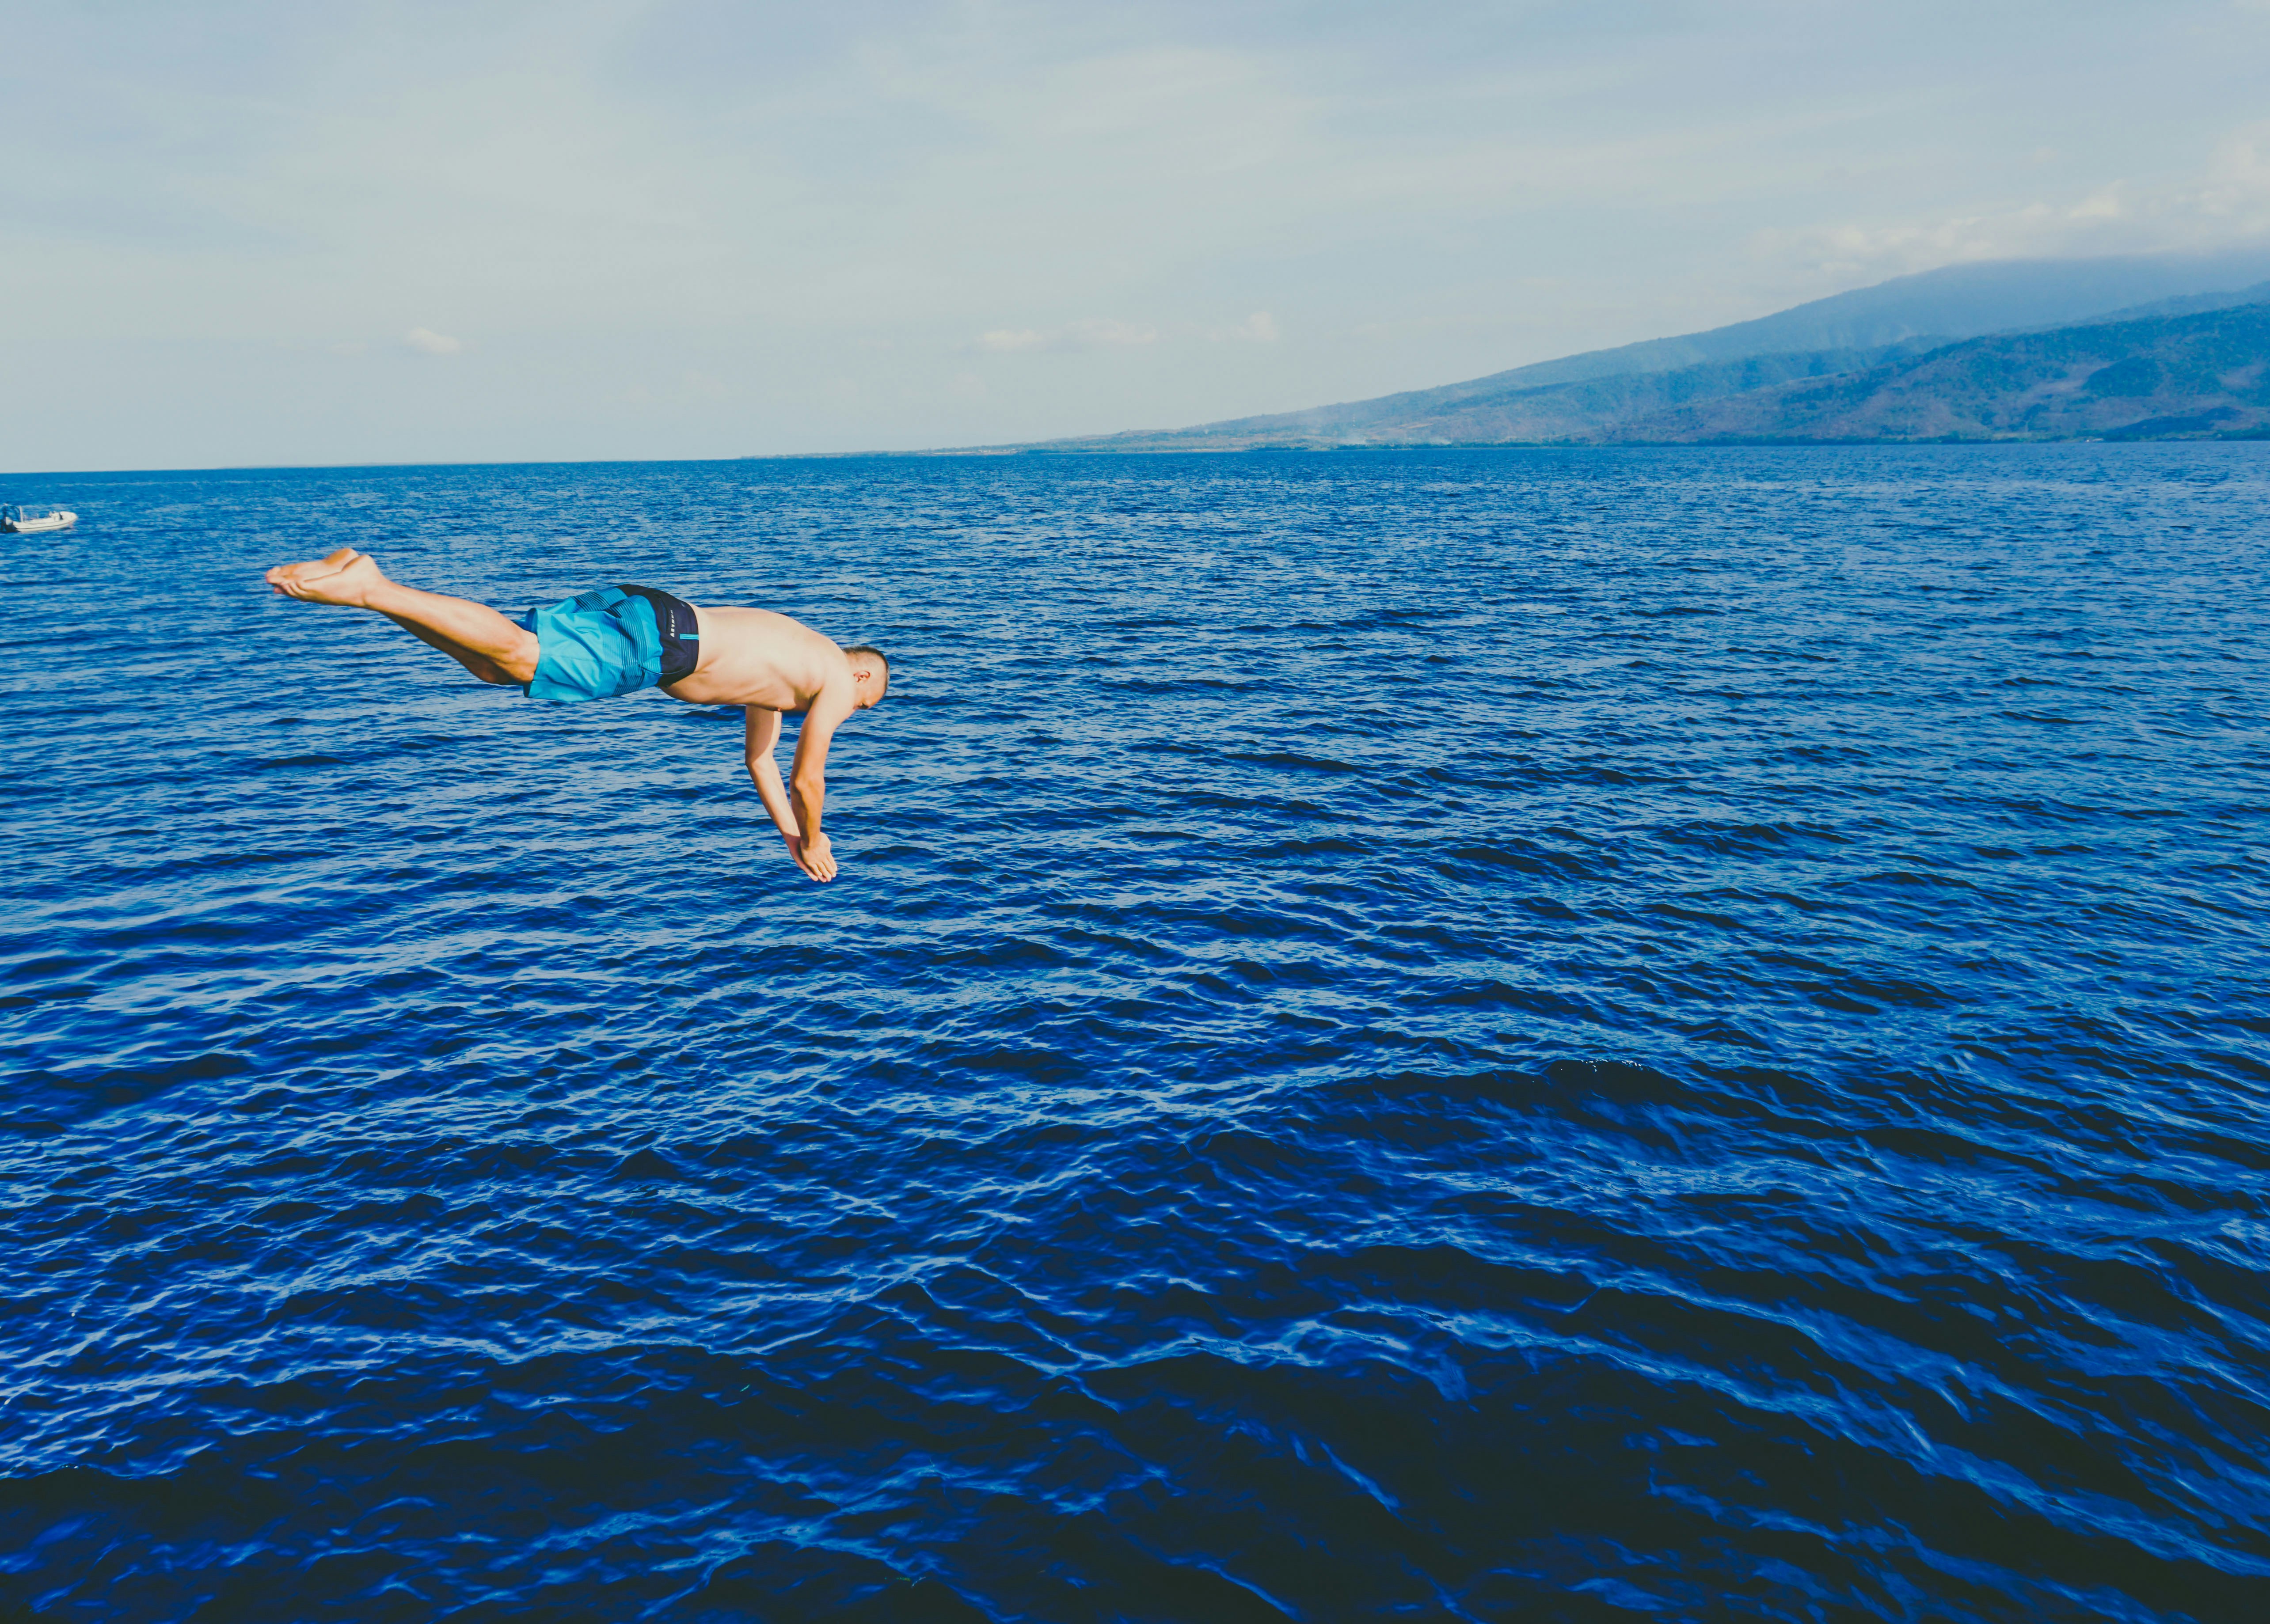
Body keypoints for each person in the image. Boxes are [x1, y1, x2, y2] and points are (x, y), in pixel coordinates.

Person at [264, 548, 888, 882]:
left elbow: (761, 760)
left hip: (661, 616)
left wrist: (787, 838)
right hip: (667, 646)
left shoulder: (790, 670)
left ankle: (372, 593)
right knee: (519, 653)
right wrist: (816, 837)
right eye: (863, 704)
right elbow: (807, 780)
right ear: (861, 677)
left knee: (496, 669)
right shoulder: (835, 675)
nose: (848, 713)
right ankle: (375, 585)